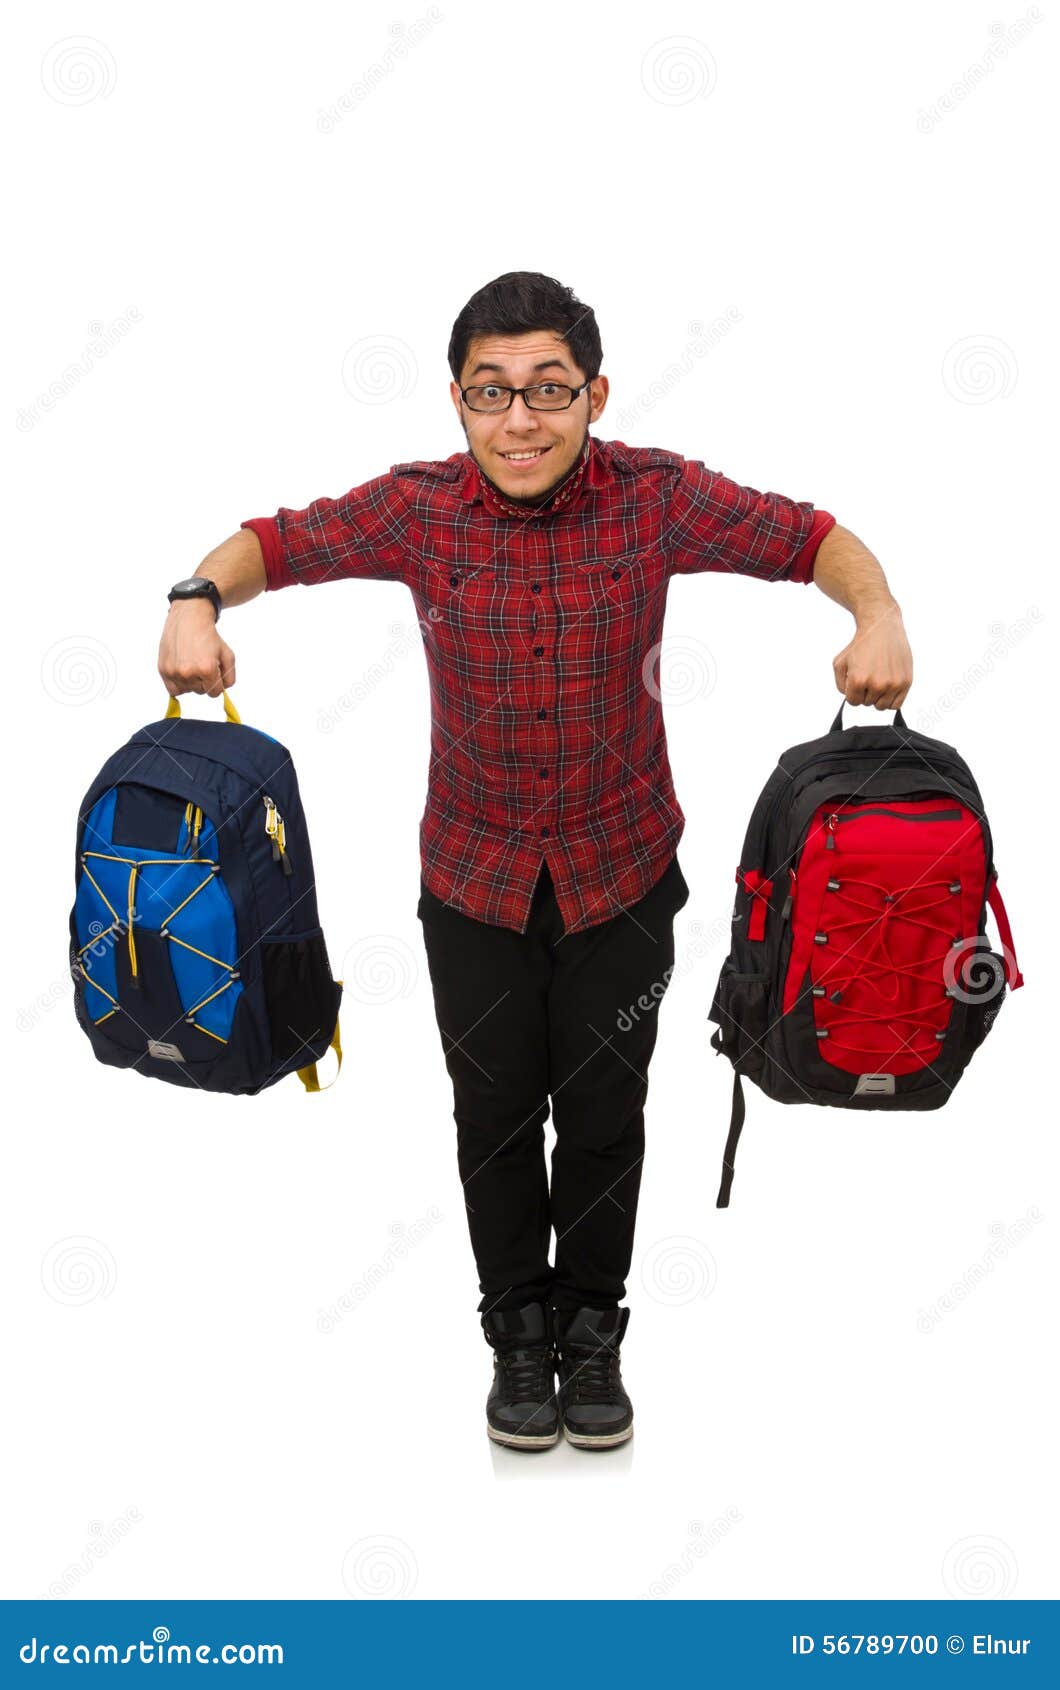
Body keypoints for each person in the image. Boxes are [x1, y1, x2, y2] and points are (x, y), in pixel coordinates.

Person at [158, 271, 913, 1452]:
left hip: (623, 875)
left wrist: (876, 615)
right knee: (497, 1117)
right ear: (457, 403)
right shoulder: (418, 511)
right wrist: (199, 597)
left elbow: (816, 539)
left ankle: (593, 1329)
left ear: (594, 394)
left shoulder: (658, 498)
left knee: (607, 1114)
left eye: (548, 390)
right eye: (490, 392)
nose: (520, 419)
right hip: (472, 880)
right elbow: (275, 542)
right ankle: (516, 1330)